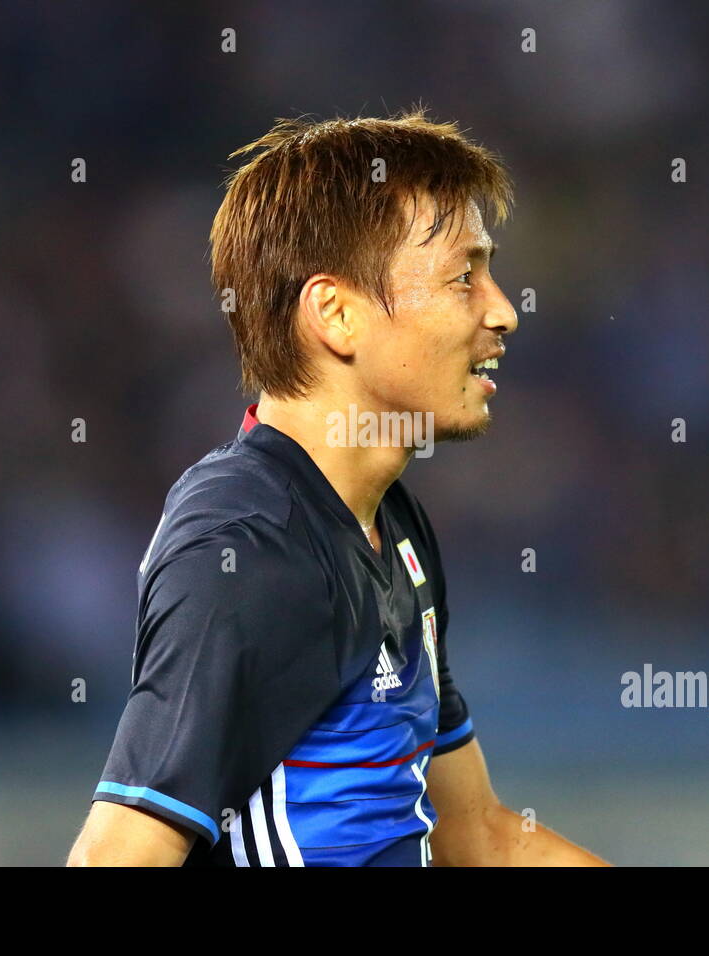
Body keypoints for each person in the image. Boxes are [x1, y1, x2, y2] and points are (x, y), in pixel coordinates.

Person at [68, 109, 610, 866]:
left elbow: (474, 833)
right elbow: (114, 858)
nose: (502, 310)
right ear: (337, 313)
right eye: (464, 277)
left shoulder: (394, 524)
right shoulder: (246, 548)